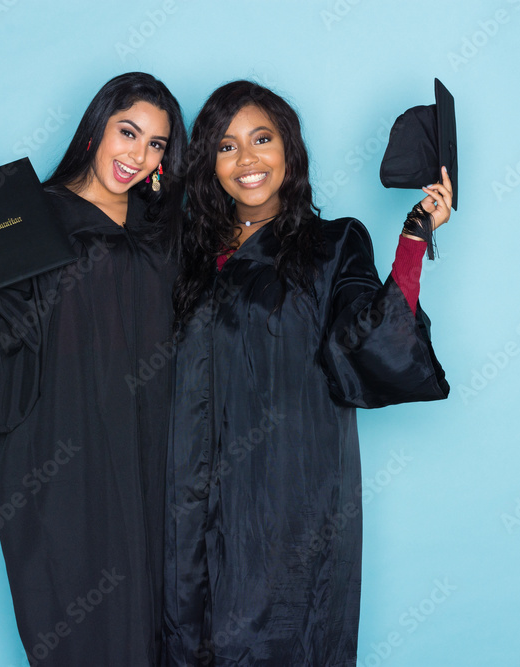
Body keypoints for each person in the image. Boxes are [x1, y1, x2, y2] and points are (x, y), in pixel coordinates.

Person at [164, 81, 451, 666]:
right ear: (207, 164)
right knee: (183, 636)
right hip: (185, 497)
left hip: (286, 500)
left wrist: (415, 237)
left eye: (262, 139)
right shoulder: (185, 256)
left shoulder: (331, 244)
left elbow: (367, 341)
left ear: (288, 150)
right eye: (226, 146)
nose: (247, 160)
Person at [0, 72, 186, 666]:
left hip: (155, 455)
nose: (137, 155)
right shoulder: (33, 217)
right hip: (64, 457)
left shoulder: (164, 231)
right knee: (81, 617)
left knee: (165, 613)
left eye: (156, 144)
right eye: (128, 132)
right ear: (97, 129)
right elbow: (13, 326)